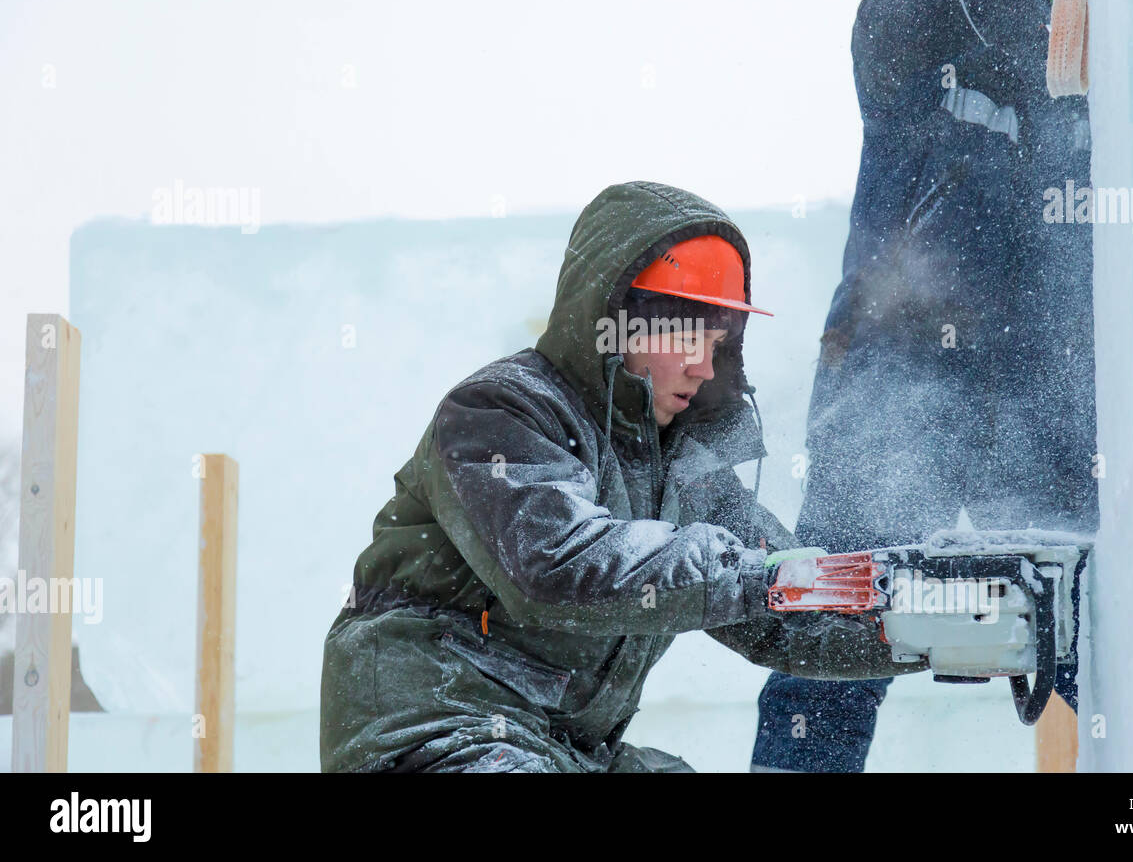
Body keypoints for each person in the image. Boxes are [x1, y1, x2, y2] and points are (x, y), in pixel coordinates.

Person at [319, 180, 926, 773]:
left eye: (718, 342)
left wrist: (941, 623)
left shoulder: (684, 465)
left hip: (570, 750)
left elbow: (784, 609)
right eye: (686, 336)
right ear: (620, 320)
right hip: (438, 730)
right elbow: (555, 567)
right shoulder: (499, 413)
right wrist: (758, 578)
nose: (702, 364)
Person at [750, 0, 1096, 773]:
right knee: (828, 646)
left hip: (1048, 414)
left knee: (1098, 632)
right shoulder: (910, 43)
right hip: (892, 399)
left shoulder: (1104, 104)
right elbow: (903, 11)